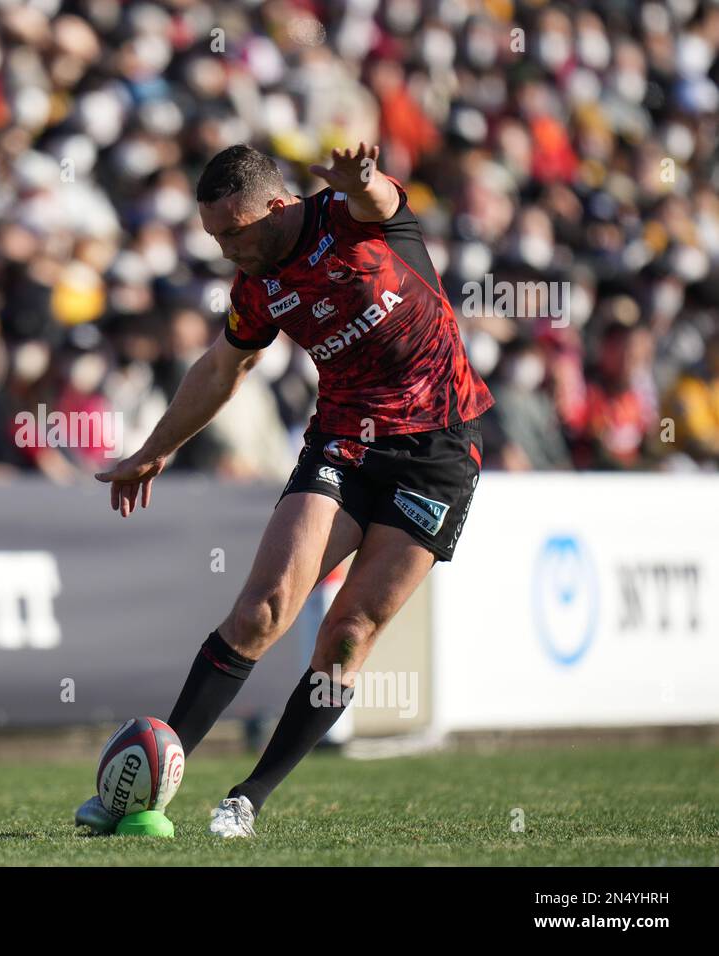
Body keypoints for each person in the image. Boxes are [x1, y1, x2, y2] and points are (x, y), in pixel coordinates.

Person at [80, 143, 494, 837]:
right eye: (214, 237)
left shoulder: (352, 216)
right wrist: (154, 452)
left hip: (439, 450)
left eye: (234, 232)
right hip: (343, 443)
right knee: (264, 610)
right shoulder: (257, 284)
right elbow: (222, 369)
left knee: (348, 635)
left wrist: (363, 180)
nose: (226, 249)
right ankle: (148, 785)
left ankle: (248, 798)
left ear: (277, 207)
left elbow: (380, 200)